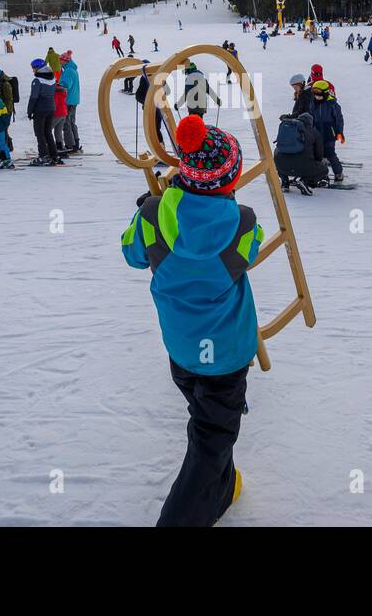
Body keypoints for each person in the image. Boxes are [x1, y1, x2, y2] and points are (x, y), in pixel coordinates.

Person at [120, 114, 260, 527]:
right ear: (229, 181)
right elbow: (249, 254)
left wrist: (151, 209)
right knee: (210, 441)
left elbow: (131, 254)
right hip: (227, 355)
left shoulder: (152, 216)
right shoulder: (243, 224)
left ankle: (223, 487)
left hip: (181, 349)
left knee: (210, 421)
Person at [273, 112, 327, 193]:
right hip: (303, 167)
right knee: (324, 170)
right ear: (311, 122)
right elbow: (319, 155)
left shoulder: (288, 129)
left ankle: (285, 183)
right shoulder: (314, 132)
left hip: (281, 167)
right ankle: (305, 181)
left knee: (280, 158)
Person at [309, 80, 345, 184]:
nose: (317, 98)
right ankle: (323, 175)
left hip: (330, 133)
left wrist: (340, 132)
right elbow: (310, 115)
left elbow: (339, 119)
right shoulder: (313, 102)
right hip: (317, 133)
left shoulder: (332, 104)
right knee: (318, 155)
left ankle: (339, 173)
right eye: (315, 95)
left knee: (330, 153)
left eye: (319, 95)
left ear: (325, 93)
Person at [28, 58, 61, 165]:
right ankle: (54, 155)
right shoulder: (52, 78)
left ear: (38, 68)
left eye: (33, 68)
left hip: (40, 109)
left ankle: (44, 156)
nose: (33, 70)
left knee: (40, 133)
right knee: (48, 132)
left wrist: (29, 110)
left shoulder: (37, 80)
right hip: (51, 108)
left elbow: (34, 97)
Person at [58, 50, 81, 153]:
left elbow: (65, 85)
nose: (59, 62)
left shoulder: (68, 71)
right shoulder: (72, 69)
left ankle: (70, 145)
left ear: (65, 61)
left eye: (60, 61)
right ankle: (75, 143)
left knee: (66, 123)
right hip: (73, 99)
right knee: (71, 122)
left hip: (68, 100)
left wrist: (57, 85)